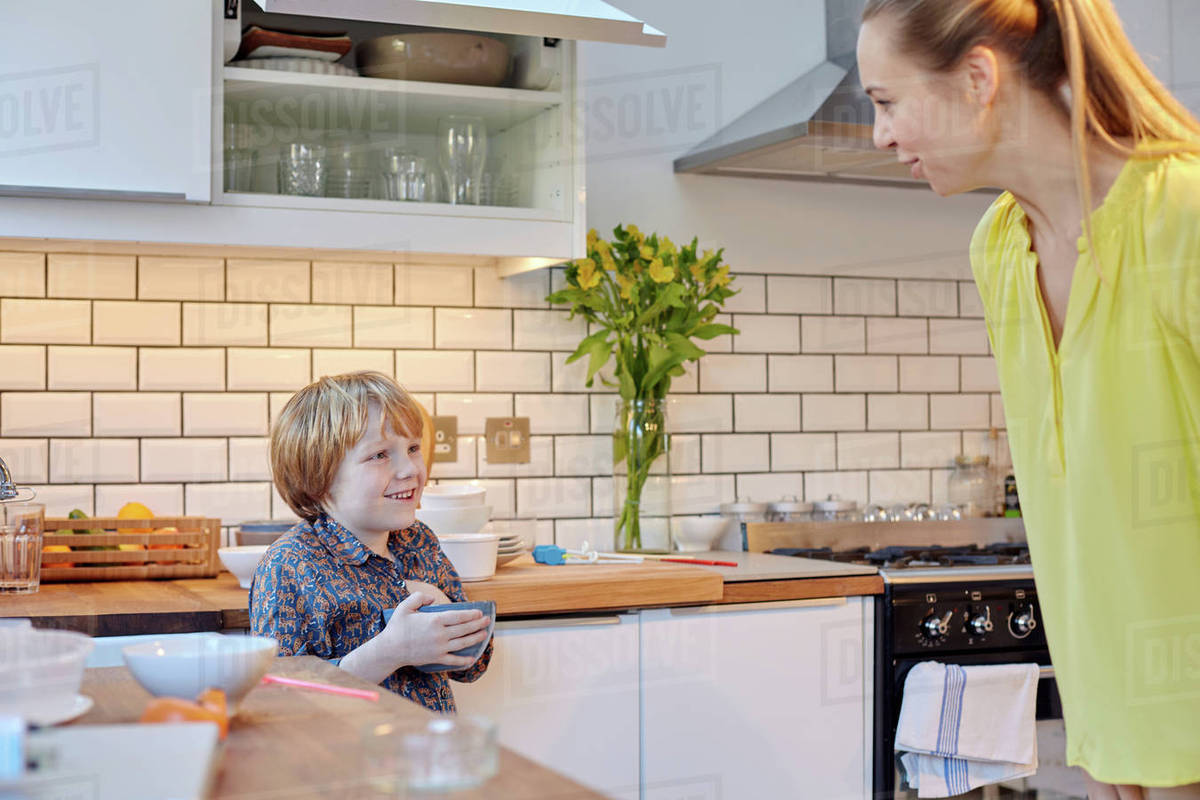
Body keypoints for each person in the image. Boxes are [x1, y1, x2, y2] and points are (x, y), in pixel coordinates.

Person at [857, 1, 1200, 798]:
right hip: (1123, 737)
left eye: (886, 102)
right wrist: (1114, 738)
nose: (879, 136)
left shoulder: (1181, 217)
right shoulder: (1000, 249)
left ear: (978, 78)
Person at [250, 371, 492, 713]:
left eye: (412, 448)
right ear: (319, 477)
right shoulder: (289, 566)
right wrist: (391, 651)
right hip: (346, 762)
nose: (409, 469)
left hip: (427, 754)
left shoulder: (419, 542)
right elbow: (281, 701)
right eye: (380, 455)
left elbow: (473, 667)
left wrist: (448, 614)